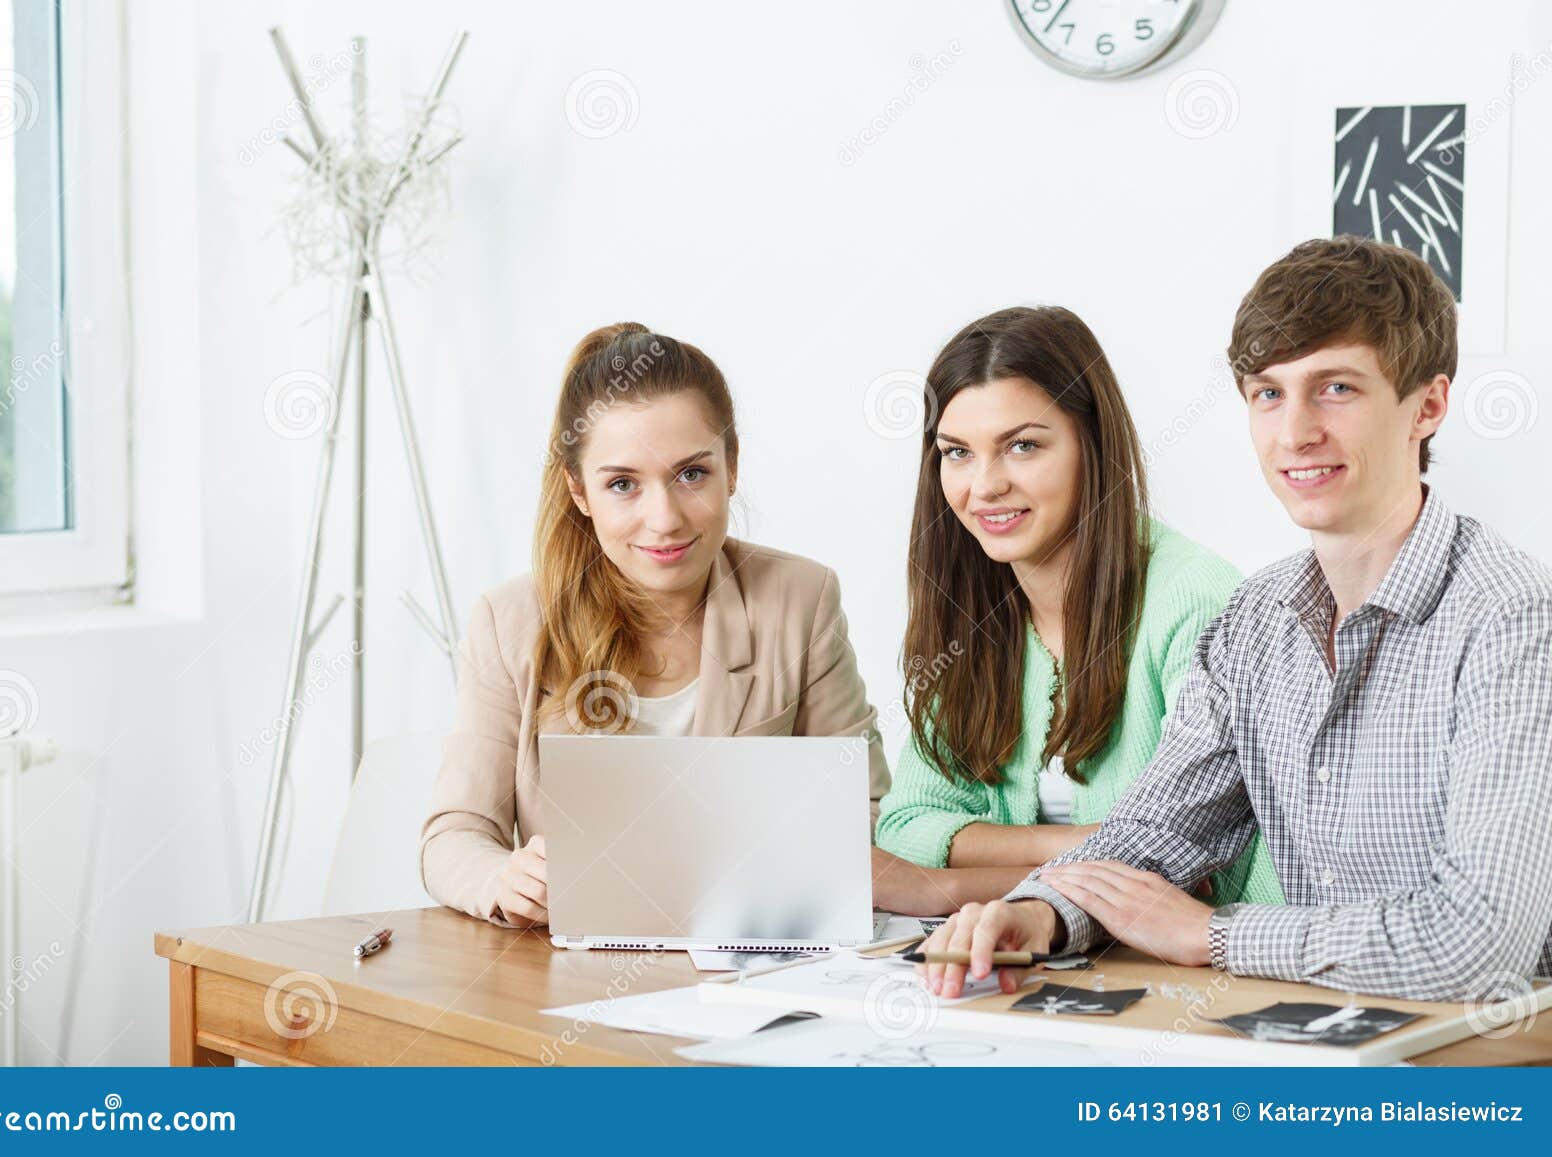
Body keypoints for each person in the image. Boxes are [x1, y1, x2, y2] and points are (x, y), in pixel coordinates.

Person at [919, 238, 1552, 1003]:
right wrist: (1038, 912)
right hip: (1318, 1033)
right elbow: (1158, 831)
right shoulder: (1257, 616)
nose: (1295, 432)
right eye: (1268, 393)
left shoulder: (1512, 618)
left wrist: (1211, 933)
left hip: (1481, 1060)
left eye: (1337, 388)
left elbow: (1479, 944)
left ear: (1428, 405)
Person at [420, 322, 1019, 926]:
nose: (665, 520)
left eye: (691, 474)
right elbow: (455, 832)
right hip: (566, 971)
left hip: (751, 952)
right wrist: (502, 878)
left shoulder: (800, 600)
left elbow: (861, 810)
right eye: (622, 485)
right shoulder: (511, 623)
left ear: (732, 467)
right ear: (579, 491)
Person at [875, 306, 1282, 908]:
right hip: (1036, 951)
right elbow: (907, 825)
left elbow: (1190, 860)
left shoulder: (1197, 599)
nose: (983, 485)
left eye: (1022, 446)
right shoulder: (969, 606)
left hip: (1188, 969)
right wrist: (1087, 847)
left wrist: (958, 881)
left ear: (1091, 446)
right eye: (956, 452)